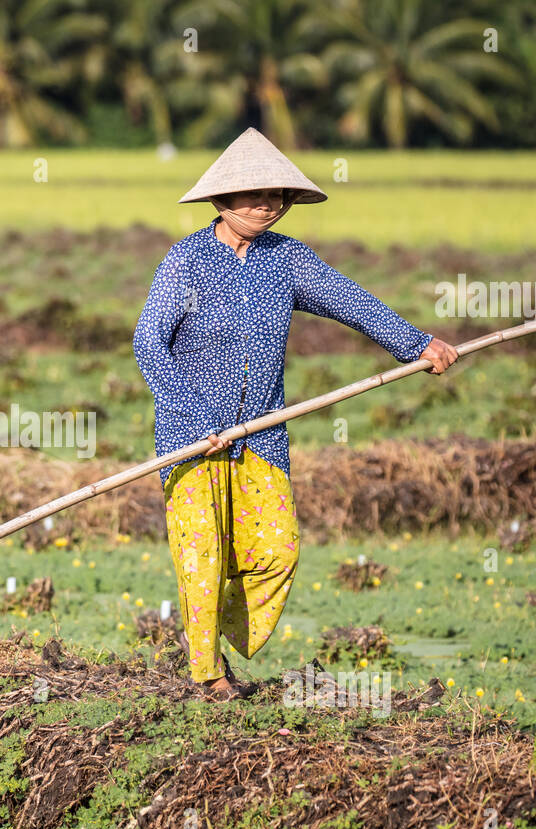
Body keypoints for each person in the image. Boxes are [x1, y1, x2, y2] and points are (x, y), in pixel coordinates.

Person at [133, 128, 458, 700]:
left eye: (277, 196)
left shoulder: (288, 261)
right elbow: (148, 343)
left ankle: (210, 629)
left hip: (261, 433)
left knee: (278, 551)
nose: (267, 205)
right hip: (191, 438)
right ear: (222, 201)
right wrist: (190, 418)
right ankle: (206, 672)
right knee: (201, 555)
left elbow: (353, 302)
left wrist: (417, 343)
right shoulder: (185, 261)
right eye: (253, 194)